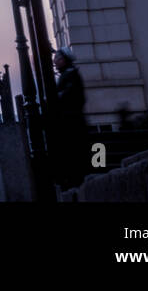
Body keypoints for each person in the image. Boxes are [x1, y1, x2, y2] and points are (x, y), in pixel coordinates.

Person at [53, 47, 88, 189]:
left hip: (71, 120)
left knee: (74, 151)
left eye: (58, 59)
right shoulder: (67, 74)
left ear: (65, 60)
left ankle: (74, 180)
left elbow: (71, 95)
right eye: (55, 59)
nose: (55, 62)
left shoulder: (70, 74)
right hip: (70, 119)